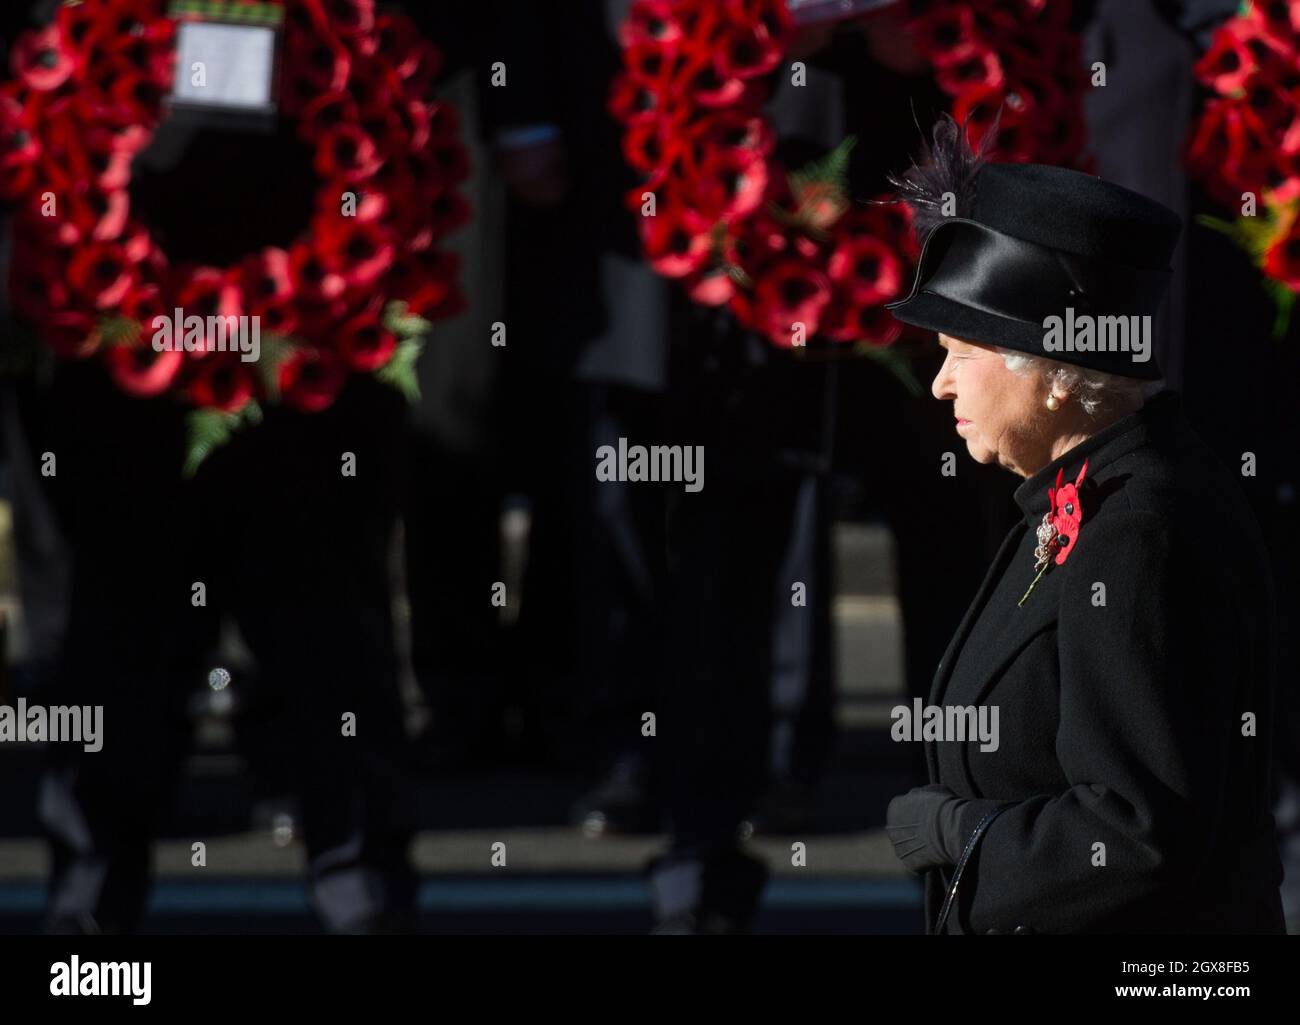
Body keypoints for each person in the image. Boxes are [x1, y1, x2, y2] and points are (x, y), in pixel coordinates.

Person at [881, 118, 1286, 934]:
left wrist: (964, 835)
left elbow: (1137, 834)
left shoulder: (1141, 529)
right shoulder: (1086, 490)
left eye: (961, 349)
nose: (940, 385)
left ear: (1055, 371)